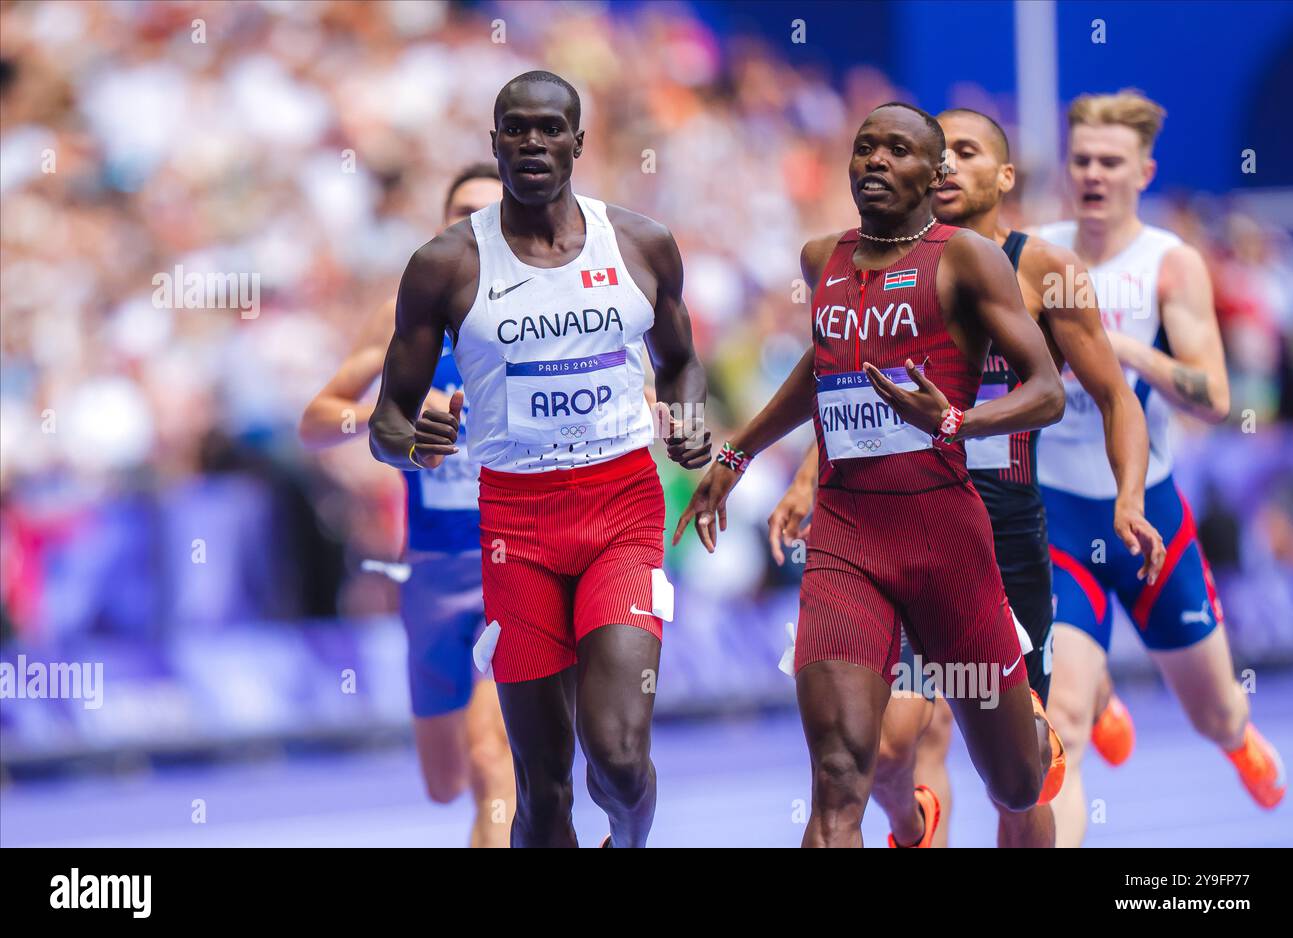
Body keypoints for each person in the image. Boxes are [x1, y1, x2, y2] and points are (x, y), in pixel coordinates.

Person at [768, 107, 1165, 847]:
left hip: (1000, 528)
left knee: (1021, 775)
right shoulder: (859, 260)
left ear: (1004, 176)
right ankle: (914, 823)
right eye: (938, 152)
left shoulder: (1044, 269)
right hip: (884, 521)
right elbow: (849, 386)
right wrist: (799, 478)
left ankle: (1085, 691)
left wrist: (1130, 496)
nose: (947, 166)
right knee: (888, 747)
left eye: (966, 153)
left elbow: (1113, 395)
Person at [676, 103, 1065, 848]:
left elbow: (1044, 390)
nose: (877, 162)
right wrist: (739, 452)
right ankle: (906, 821)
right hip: (848, 541)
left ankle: (1032, 726)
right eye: (865, 149)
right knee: (837, 776)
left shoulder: (967, 260)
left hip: (947, 541)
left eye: (897, 150)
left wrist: (954, 421)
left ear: (934, 174)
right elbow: (820, 368)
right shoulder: (826, 258)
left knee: (1018, 780)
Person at [369, 71, 710, 848]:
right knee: (543, 789)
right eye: (515, 129)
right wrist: (412, 440)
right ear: (495, 143)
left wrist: (689, 418)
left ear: (578, 143)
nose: (532, 142)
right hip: (516, 526)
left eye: (550, 129)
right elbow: (389, 419)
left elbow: (682, 360)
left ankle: (628, 841)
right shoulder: (445, 265)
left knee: (618, 759)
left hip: (622, 508)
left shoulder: (640, 243)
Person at [1038, 90, 1286, 845]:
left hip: (1150, 517)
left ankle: (1238, 737)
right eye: (1081, 159)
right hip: (1056, 520)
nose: (1093, 173)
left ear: (1143, 171)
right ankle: (1093, 690)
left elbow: (1214, 396)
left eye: (1110, 162)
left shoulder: (1169, 265)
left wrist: (1121, 349)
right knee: (1064, 730)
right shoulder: (1031, 253)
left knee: (1216, 710)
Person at [300, 163, 515, 848]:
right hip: (428, 575)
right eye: (461, 213)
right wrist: (383, 413)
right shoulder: (405, 317)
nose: (473, 226)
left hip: (511, 566)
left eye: (489, 212)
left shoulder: (539, 318)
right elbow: (314, 422)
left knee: (490, 763)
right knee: (445, 780)